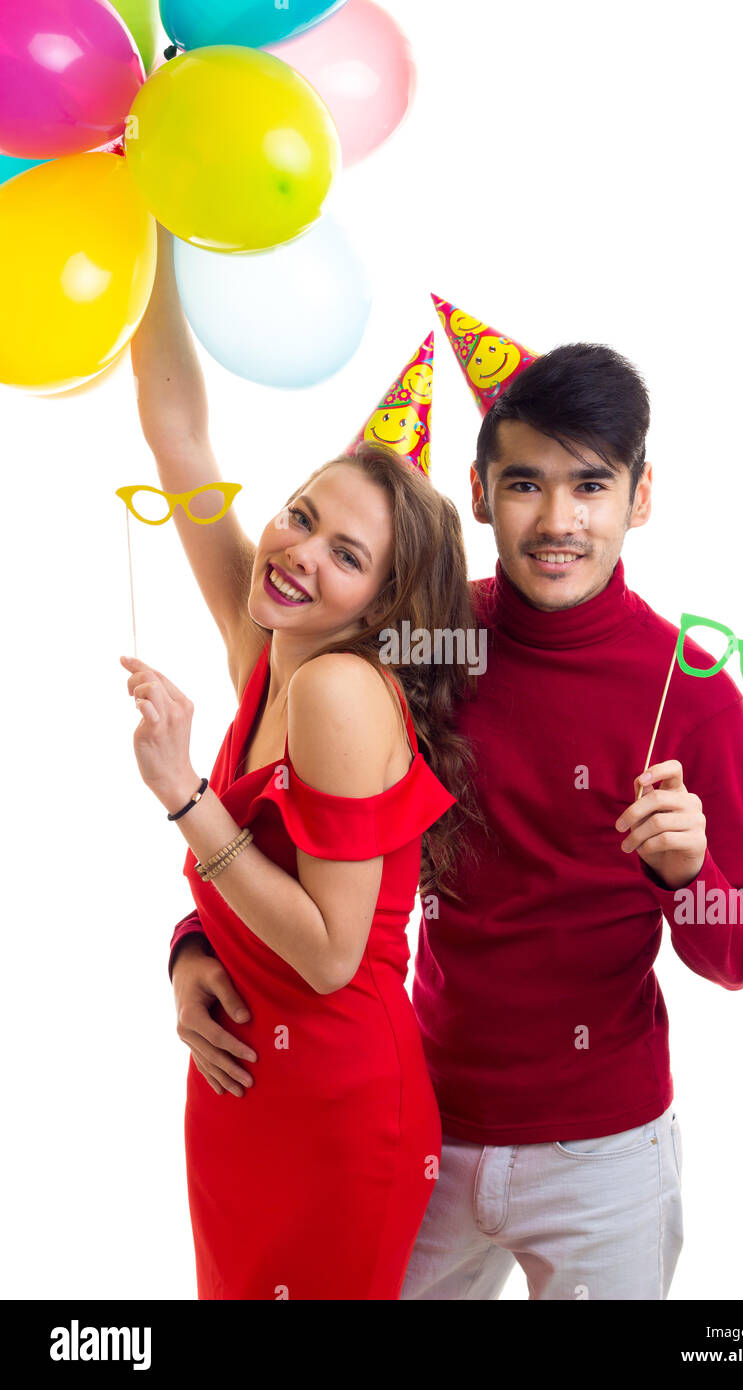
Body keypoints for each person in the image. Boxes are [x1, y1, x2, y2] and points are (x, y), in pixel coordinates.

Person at [168, 333, 743, 1301]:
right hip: (424, 1121)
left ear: (641, 496)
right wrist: (197, 937)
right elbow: (319, 807)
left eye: (589, 486)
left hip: (602, 1157)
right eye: (525, 483)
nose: (557, 519)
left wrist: (688, 876)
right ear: (480, 490)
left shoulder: (690, 693)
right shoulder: (430, 642)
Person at [125, 227, 484, 1300]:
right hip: (245, 1087)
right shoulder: (266, 649)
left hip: (333, 1109)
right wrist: (143, 226)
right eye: (300, 514)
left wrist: (184, 793)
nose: (296, 550)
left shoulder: (335, 690)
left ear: (380, 608)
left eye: (346, 555)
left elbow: (330, 955)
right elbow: (180, 436)